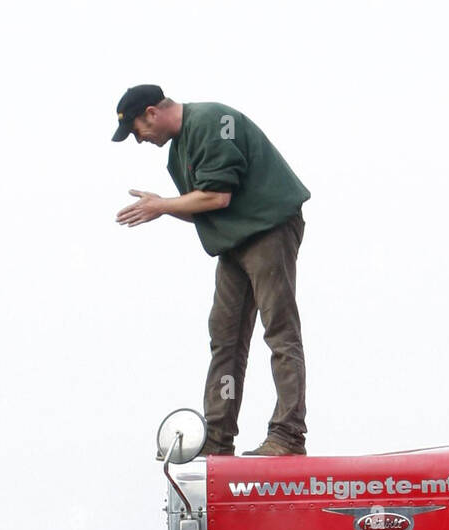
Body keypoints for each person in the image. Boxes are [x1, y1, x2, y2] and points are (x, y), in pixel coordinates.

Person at [114, 84, 310, 457]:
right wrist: (166, 207)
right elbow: (203, 207)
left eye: (137, 130)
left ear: (152, 112)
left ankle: (288, 434)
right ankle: (218, 440)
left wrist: (162, 205)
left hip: (267, 230)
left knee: (279, 329)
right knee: (226, 339)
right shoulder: (178, 154)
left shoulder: (212, 121)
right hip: (234, 241)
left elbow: (219, 196)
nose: (139, 140)